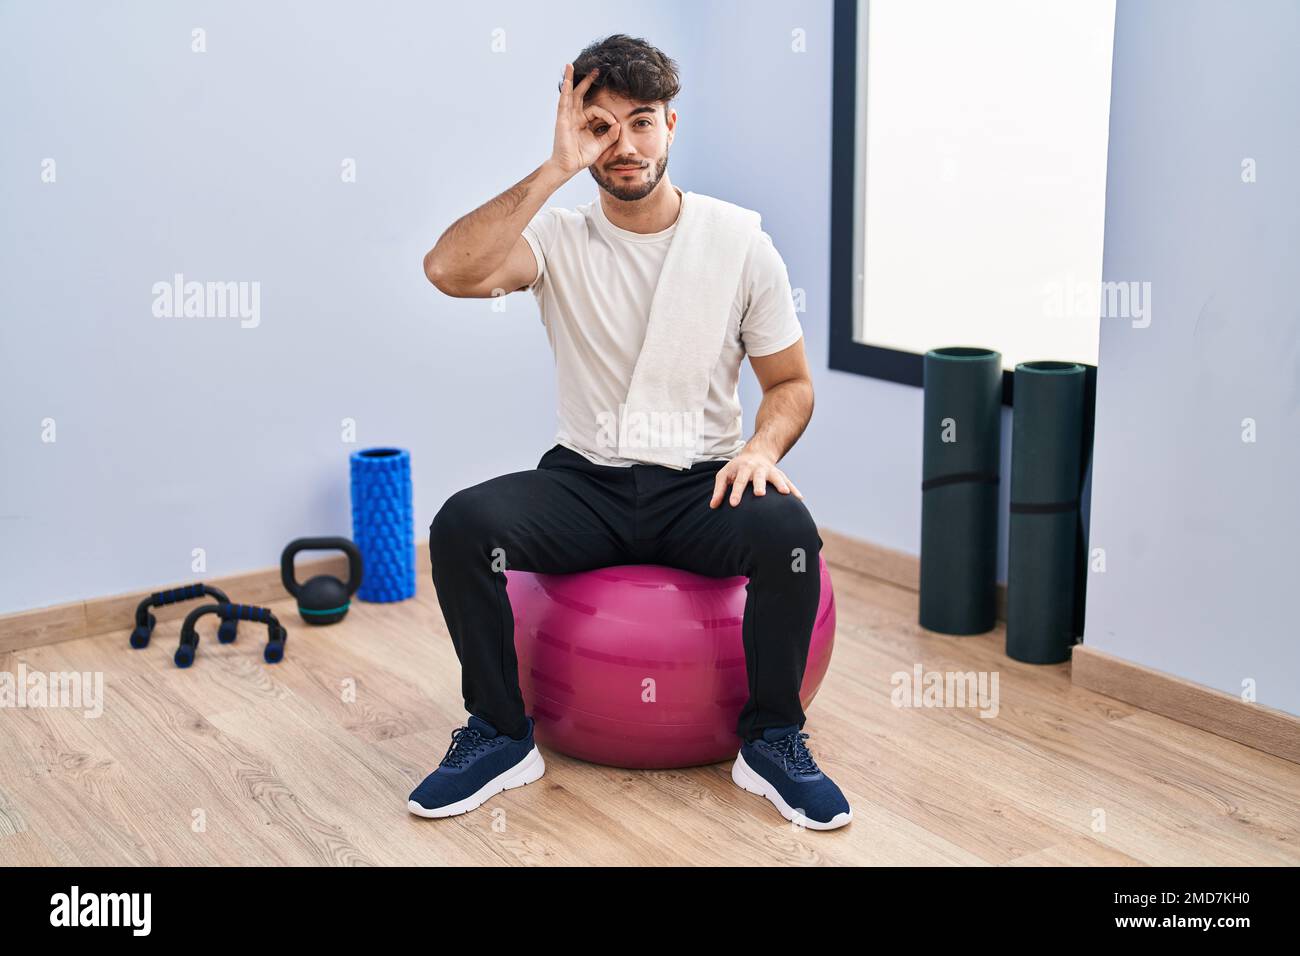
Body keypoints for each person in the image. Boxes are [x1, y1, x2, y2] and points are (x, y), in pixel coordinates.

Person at [411, 34, 850, 830]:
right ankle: (502, 735)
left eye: (640, 122)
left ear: (671, 127)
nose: (623, 145)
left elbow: (789, 385)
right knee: (461, 525)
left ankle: (774, 739)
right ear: (578, 132)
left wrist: (759, 450)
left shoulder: (740, 243)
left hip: (701, 485)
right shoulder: (557, 238)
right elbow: (448, 270)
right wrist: (553, 170)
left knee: (789, 529)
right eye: (600, 125)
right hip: (587, 485)